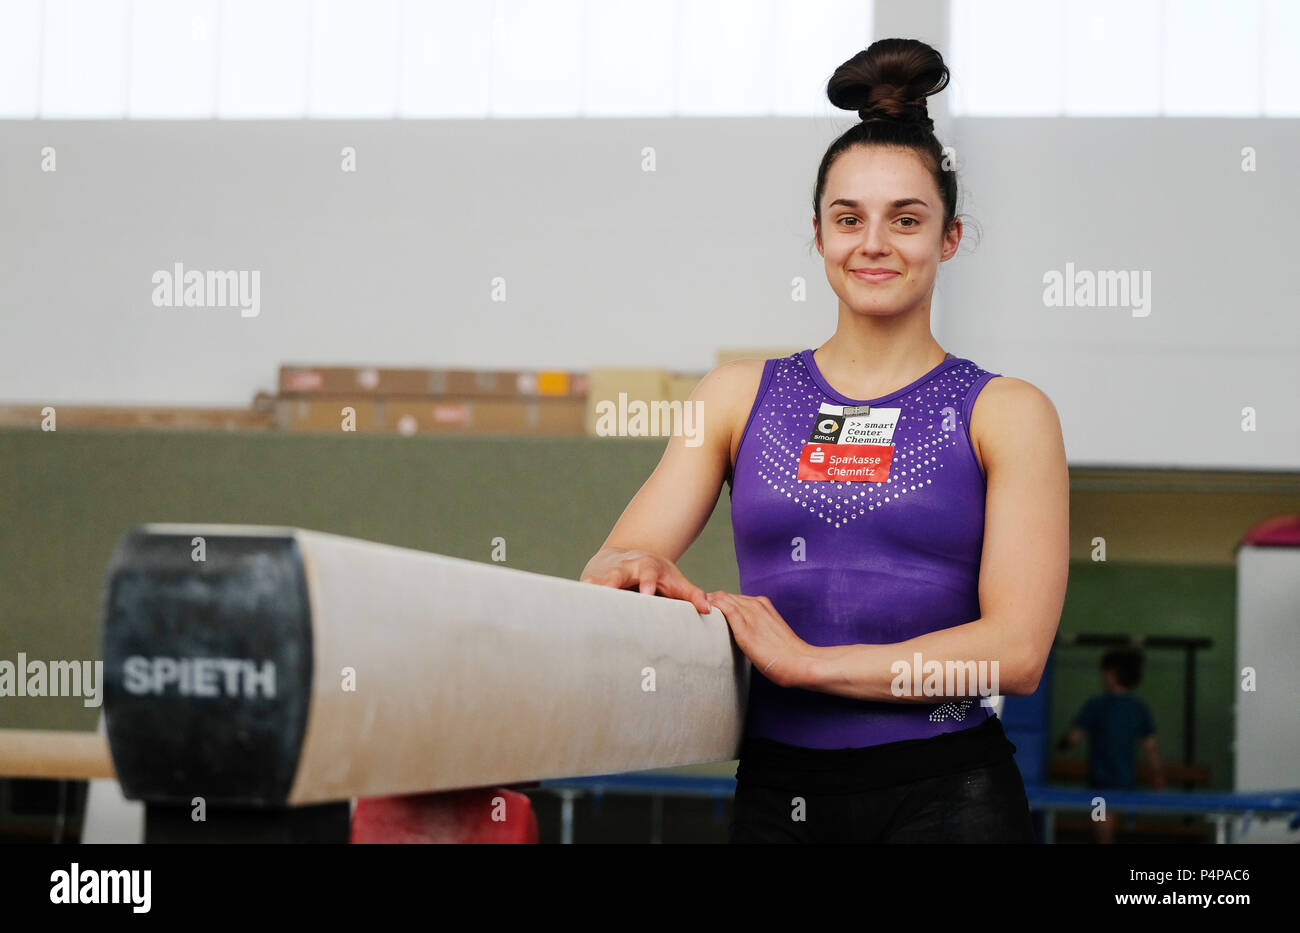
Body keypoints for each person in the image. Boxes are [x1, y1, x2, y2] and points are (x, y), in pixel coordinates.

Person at [581, 37, 1069, 843]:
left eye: (905, 219)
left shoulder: (1005, 412)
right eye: (849, 218)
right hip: (782, 792)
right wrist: (629, 568)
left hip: (950, 793)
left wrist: (807, 664)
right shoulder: (739, 396)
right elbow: (616, 562)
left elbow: (1012, 653)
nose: (873, 243)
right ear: (818, 234)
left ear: (949, 237)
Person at [1058, 648, 1165, 843]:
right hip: (1126, 784)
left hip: (1101, 784)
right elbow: (1151, 747)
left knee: (1103, 830)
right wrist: (1157, 776)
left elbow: (1073, 738)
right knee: (1115, 824)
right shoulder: (1138, 708)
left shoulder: (1096, 705)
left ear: (1110, 674)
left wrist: (1062, 743)